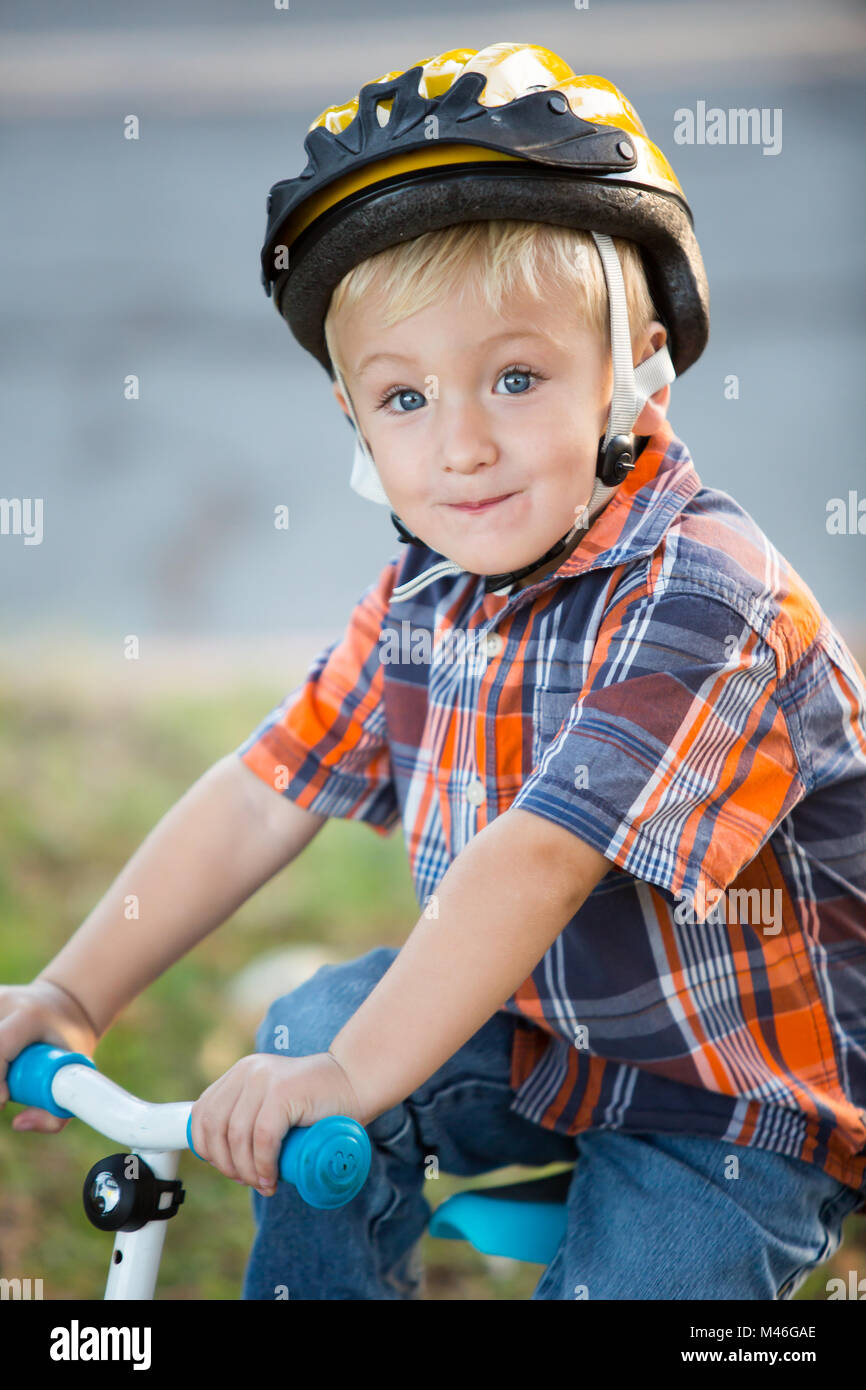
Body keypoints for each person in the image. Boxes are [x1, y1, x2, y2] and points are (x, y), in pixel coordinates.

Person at [2, 42, 865, 1301]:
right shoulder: (428, 589)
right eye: (402, 398)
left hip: (729, 1103)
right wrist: (74, 989)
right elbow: (263, 792)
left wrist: (354, 1076)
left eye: (515, 378)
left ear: (637, 373)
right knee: (303, 1057)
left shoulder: (711, 601)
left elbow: (537, 855)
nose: (460, 444)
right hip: (532, 1030)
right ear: (353, 419)